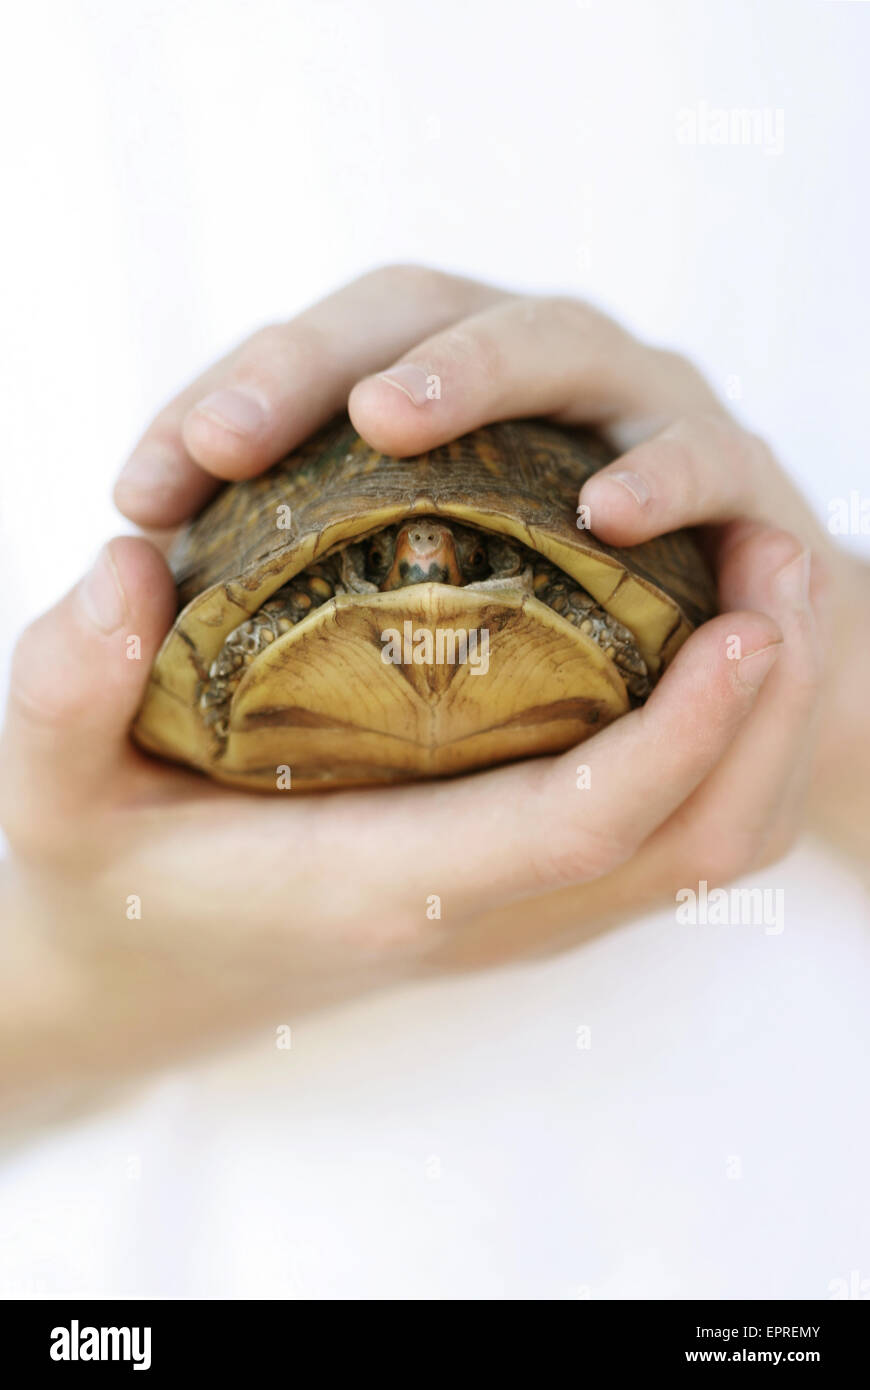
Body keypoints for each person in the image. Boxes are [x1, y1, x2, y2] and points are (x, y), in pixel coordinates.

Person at [2, 265, 868, 1125]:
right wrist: (83, 970)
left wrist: (837, 682)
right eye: (401, 553)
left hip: (757, 1090)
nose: (425, 560)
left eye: (450, 548)